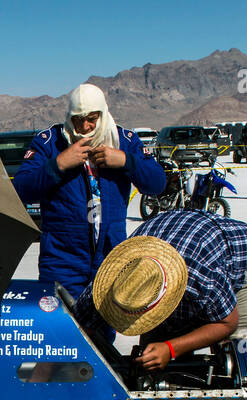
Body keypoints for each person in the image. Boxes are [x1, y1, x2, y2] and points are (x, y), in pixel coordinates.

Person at [13, 84, 167, 302]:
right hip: (62, 261)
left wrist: (125, 161)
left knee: (103, 334)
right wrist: (58, 164)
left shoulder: (125, 140)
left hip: (110, 259)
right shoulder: (50, 141)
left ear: (103, 115)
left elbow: (157, 183)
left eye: (92, 119)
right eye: (77, 119)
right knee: (62, 333)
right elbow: (21, 188)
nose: (84, 126)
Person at [76, 207, 247, 373]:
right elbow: (80, 329)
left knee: (244, 356)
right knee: (151, 360)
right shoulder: (112, 283)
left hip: (231, 261)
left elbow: (227, 323)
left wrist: (171, 348)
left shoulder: (201, 277)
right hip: (178, 239)